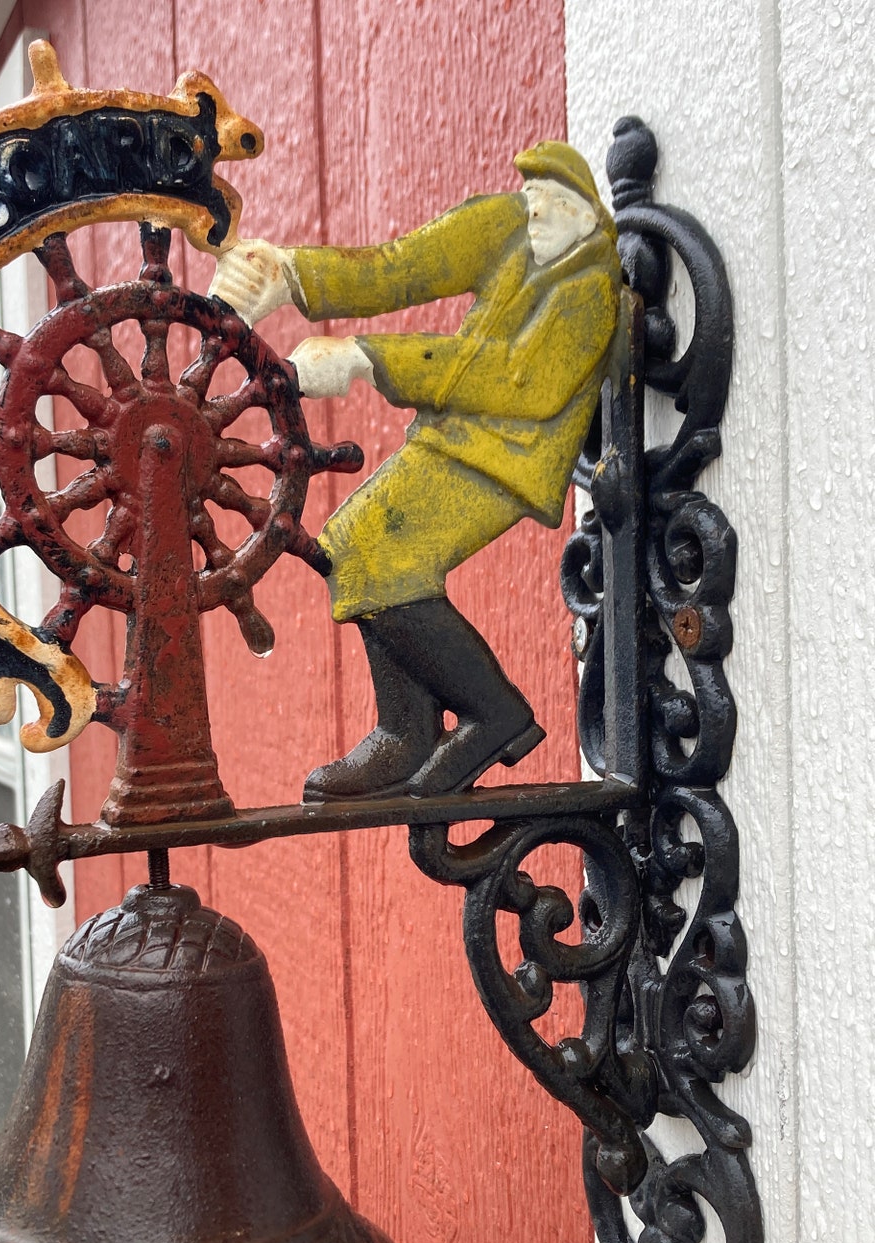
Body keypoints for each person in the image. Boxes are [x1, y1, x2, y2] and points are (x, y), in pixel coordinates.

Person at [210, 142, 621, 801]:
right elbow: (401, 267)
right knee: (349, 547)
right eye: (531, 201)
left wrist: (367, 360)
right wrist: (290, 275)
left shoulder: (591, 293)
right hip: (453, 436)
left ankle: (494, 712)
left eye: (551, 207)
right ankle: (408, 730)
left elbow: (523, 383)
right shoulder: (510, 225)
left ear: (586, 216)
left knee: (383, 556)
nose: (534, 214)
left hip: (511, 457)